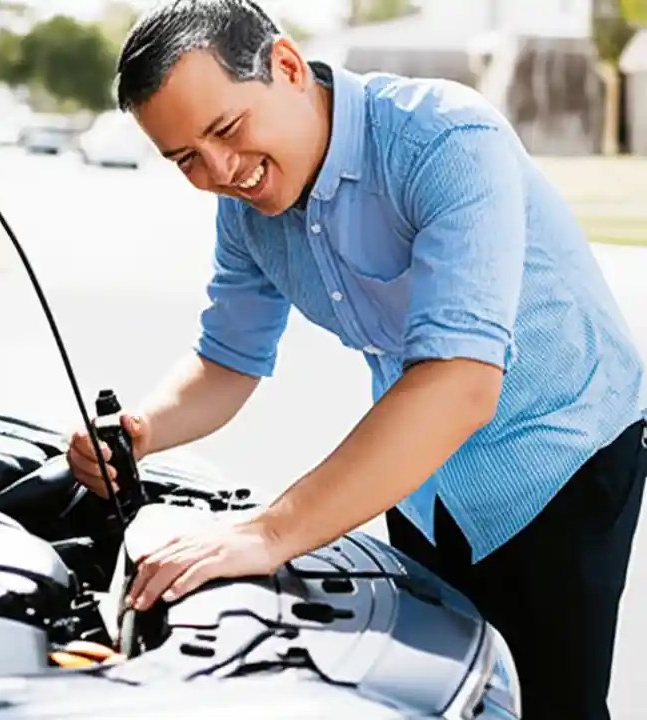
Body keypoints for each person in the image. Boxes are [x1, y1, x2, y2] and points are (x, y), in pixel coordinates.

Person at [64, 0, 647, 716]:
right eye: (186, 158)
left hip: (561, 453)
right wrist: (142, 431)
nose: (221, 171)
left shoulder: (446, 140)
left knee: (552, 704)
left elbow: (462, 384)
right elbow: (227, 360)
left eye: (226, 129)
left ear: (285, 66)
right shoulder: (246, 208)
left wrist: (269, 532)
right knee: (437, 693)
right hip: (420, 471)